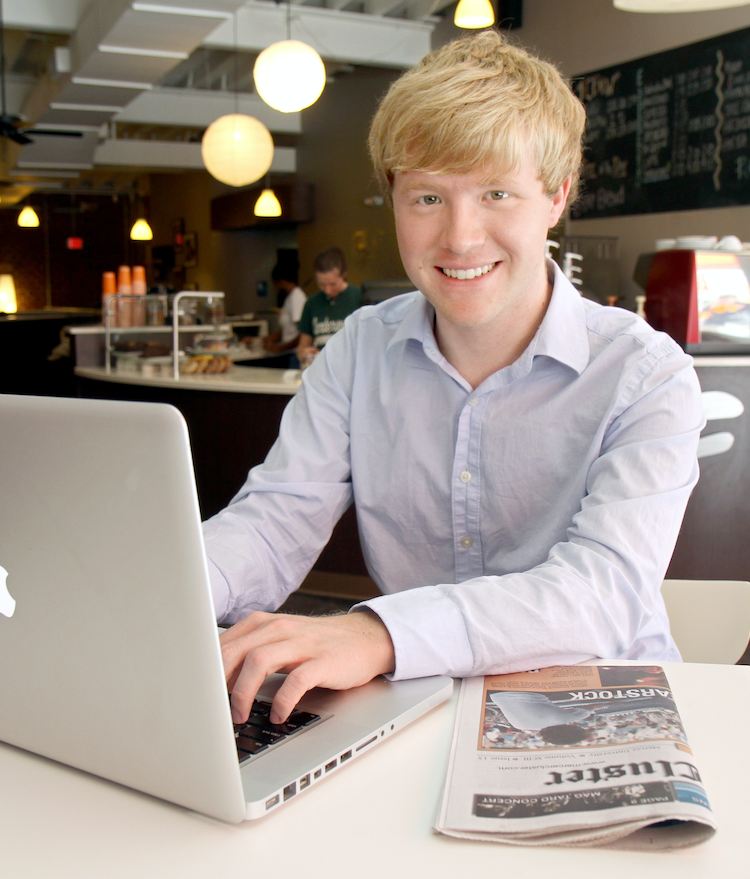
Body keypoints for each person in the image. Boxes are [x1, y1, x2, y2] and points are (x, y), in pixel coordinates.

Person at [204, 30, 704, 727]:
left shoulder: (647, 375)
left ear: (556, 197)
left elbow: (600, 594)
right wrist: (167, 585)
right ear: (394, 198)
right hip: (420, 706)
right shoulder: (359, 350)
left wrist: (380, 633)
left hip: (602, 711)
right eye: (428, 199)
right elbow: (274, 520)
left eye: (497, 193)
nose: (461, 238)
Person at [295, 247, 362, 364]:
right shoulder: (312, 303)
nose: (327, 290)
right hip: (322, 366)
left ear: (344, 275)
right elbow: (302, 347)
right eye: (322, 285)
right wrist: (304, 353)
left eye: (333, 284)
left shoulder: (360, 297)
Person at [262, 262, 307, 368]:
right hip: (288, 353)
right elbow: (288, 331)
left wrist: (281, 348)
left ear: (280, 281)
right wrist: (268, 339)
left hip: (294, 354)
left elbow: (302, 333)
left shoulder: (297, 298)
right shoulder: (289, 298)